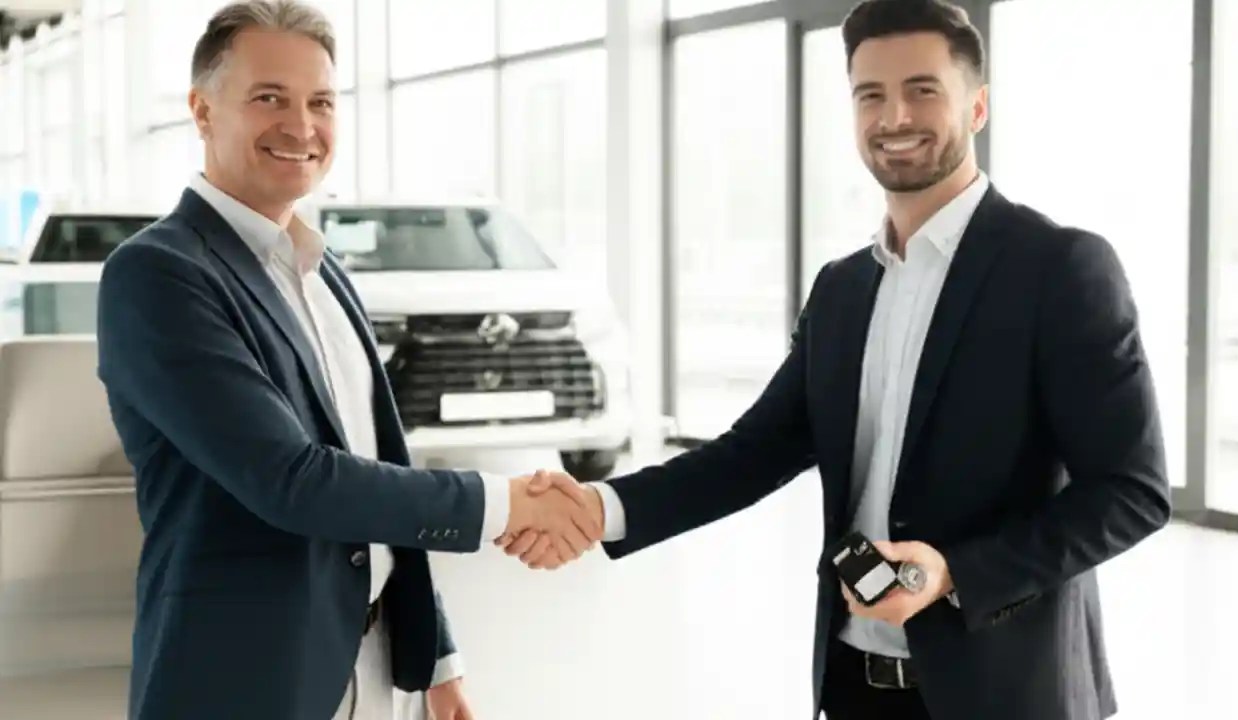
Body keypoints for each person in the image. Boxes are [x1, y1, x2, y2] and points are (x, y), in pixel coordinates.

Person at [501, 1, 1172, 718]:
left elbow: (1132, 490)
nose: (894, 118)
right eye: (870, 95)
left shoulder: (1060, 268)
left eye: (923, 90)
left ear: (977, 107)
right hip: (854, 686)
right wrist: (598, 508)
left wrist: (953, 573)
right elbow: (752, 453)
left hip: (1006, 692)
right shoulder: (844, 288)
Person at [95, 2, 601, 719]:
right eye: (269, 97)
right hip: (244, 683)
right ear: (202, 111)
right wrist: (510, 503)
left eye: (321, 102)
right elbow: (291, 481)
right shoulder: (157, 275)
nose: (301, 127)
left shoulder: (324, 272)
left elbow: (380, 467)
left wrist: (437, 660)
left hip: (373, 668)